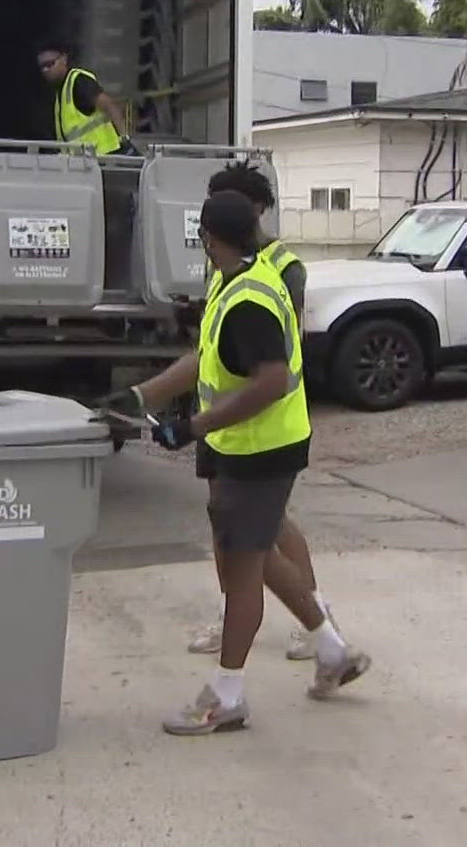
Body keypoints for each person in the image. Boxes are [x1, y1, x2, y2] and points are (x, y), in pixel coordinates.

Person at [104, 190, 370, 735]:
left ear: (207, 238)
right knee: (255, 553)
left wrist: (192, 426)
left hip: (260, 449)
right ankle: (331, 649)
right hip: (240, 446)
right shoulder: (235, 280)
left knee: (240, 568)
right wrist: (143, 397)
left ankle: (227, 695)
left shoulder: (248, 297)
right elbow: (208, 356)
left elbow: (271, 381)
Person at [184, 162, 343, 662]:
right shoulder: (222, 267)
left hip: (261, 428)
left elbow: (275, 356)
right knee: (228, 528)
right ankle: (246, 610)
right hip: (223, 427)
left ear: (254, 211)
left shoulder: (280, 267)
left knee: (269, 528)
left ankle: (314, 619)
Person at [38, 39, 135, 156]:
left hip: (104, 156)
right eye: (42, 66)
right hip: (83, 162)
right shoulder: (60, 92)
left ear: (64, 59)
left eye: (50, 64)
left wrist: (125, 140)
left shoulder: (79, 81)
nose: (46, 70)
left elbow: (109, 106)